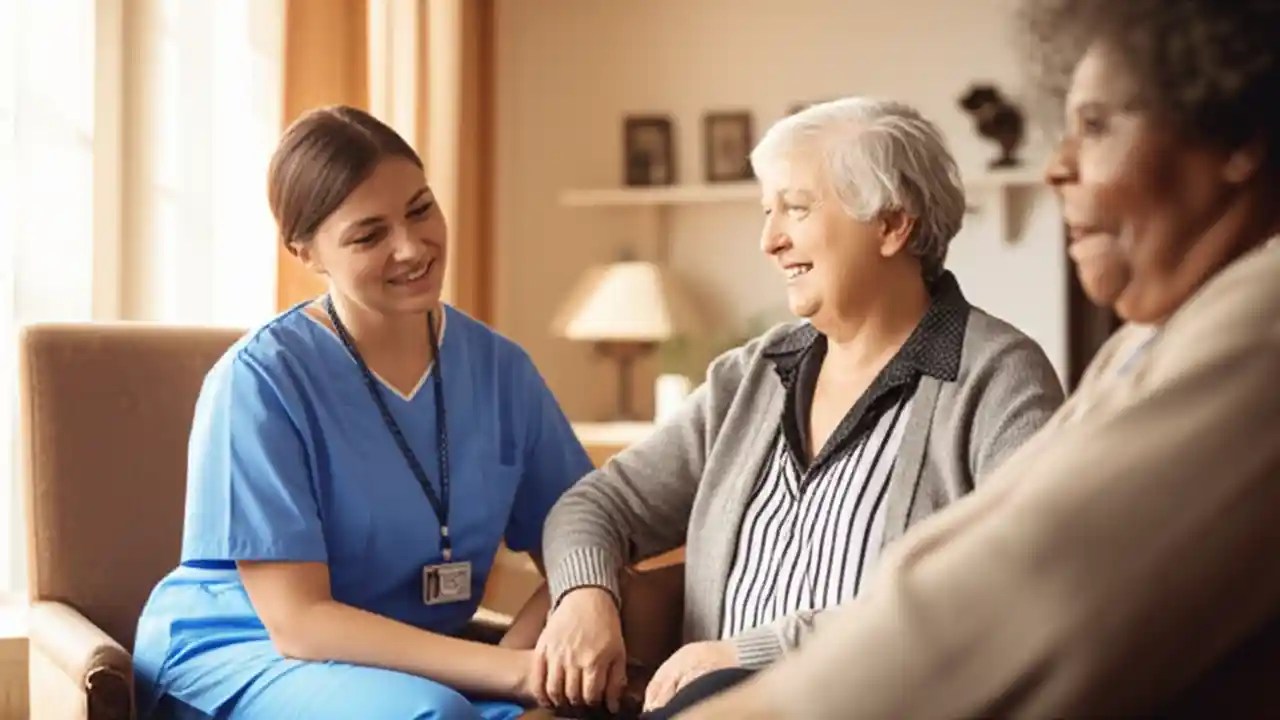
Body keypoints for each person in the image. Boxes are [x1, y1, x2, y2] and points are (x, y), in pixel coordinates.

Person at [672, 0, 1280, 717]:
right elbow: (978, 547)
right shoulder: (1150, 338)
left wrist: (749, 688)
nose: (1058, 166)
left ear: (1238, 136)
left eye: (1095, 125)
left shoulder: (1257, 324)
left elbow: (1023, 584)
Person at [533, 98, 1065, 715]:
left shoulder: (997, 376)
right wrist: (584, 595)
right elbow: (596, 505)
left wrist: (750, 653)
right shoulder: (752, 377)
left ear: (893, 225)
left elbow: (1014, 583)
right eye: (767, 211)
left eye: (796, 208)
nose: (769, 240)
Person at [131, 105, 593, 719]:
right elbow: (300, 624)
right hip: (249, 652)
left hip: (419, 665)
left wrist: (541, 642)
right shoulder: (261, 380)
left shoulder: (501, 371)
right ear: (307, 253)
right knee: (436, 715)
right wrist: (509, 672)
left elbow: (588, 535)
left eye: (421, 209)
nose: (411, 247)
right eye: (369, 235)